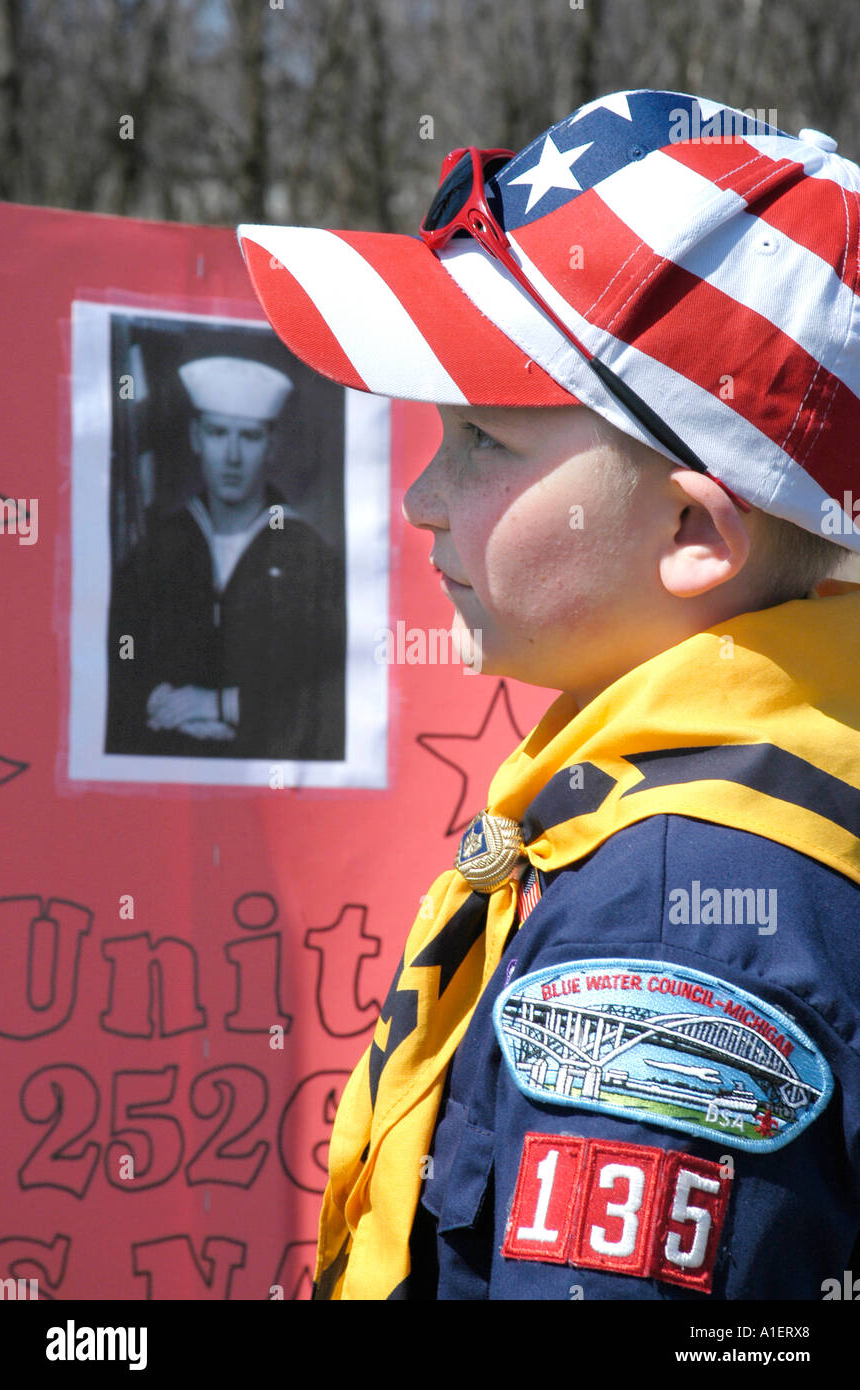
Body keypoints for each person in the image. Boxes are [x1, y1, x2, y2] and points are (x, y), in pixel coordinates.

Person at [238, 89, 860, 1299]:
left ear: (692, 529)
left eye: (483, 442)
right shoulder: (701, 805)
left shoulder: (676, 927)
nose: (420, 497)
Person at [106, 355, 345, 762]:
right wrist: (154, 697)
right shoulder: (156, 550)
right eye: (217, 433)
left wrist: (222, 706)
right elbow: (118, 661)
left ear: (272, 445)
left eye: (249, 437)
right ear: (196, 438)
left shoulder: (309, 557)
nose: (232, 456)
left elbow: (325, 691)